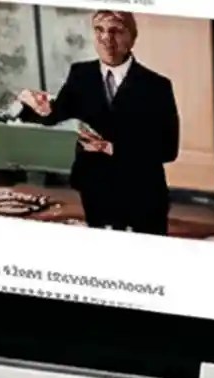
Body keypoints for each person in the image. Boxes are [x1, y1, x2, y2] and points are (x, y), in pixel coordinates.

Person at [17, 11, 180, 235]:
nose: (106, 39)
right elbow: (53, 116)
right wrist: (30, 104)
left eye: (115, 31)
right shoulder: (80, 75)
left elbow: (168, 149)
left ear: (132, 37)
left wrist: (111, 148)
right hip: (94, 185)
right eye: (99, 30)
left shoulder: (156, 87)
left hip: (142, 190)